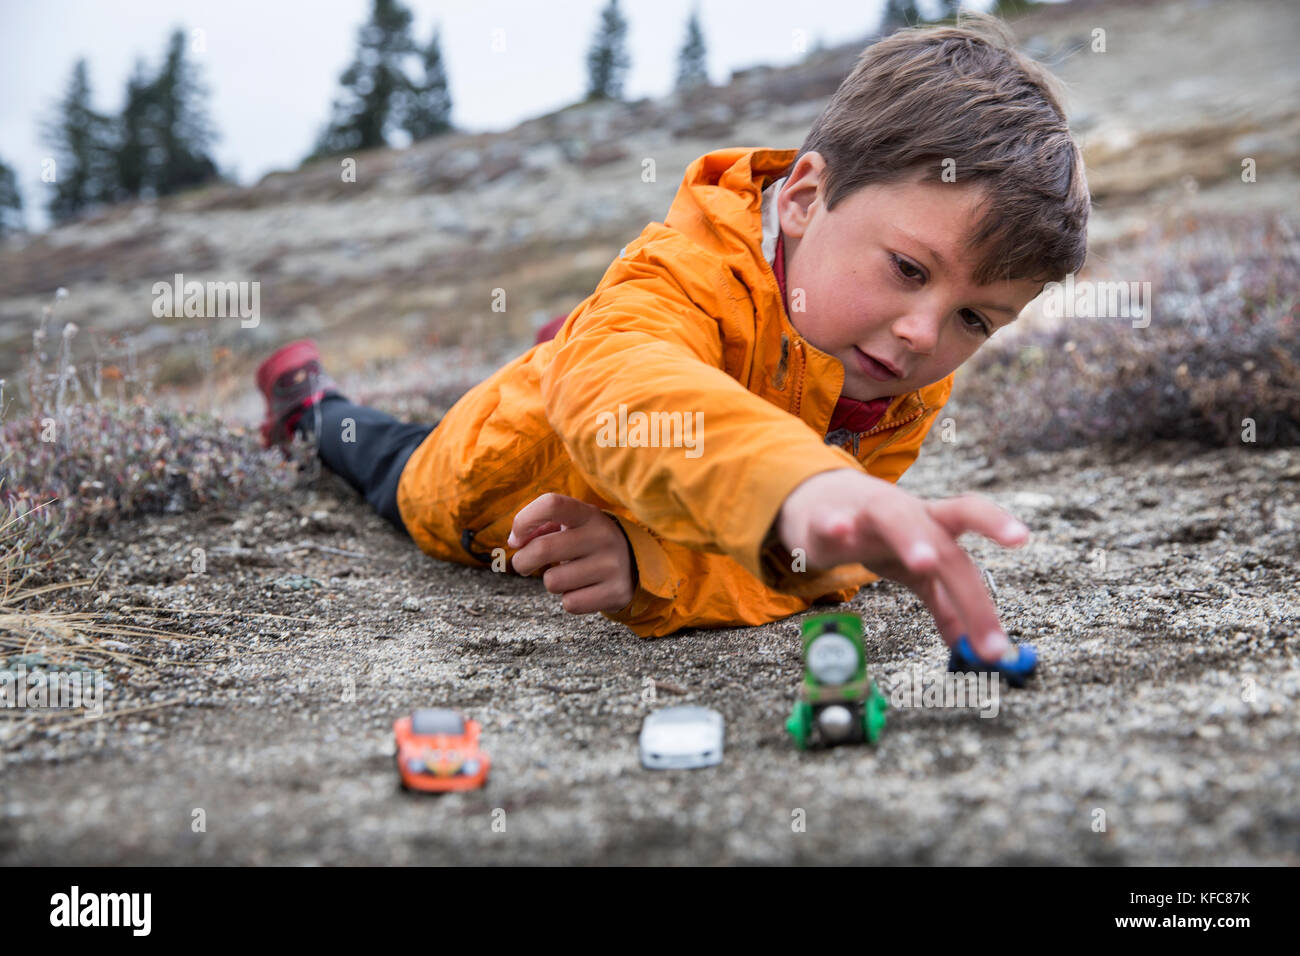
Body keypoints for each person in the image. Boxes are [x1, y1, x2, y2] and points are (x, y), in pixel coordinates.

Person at [254, 13, 1089, 652]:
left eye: (974, 318)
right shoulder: (687, 272)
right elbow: (631, 391)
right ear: (802, 199)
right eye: (909, 269)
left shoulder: (899, 385)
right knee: (382, 452)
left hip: (627, 410)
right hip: (479, 481)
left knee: (613, 350)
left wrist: (649, 567)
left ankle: (564, 341)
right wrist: (798, 487)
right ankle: (306, 406)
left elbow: (805, 567)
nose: (920, 334)